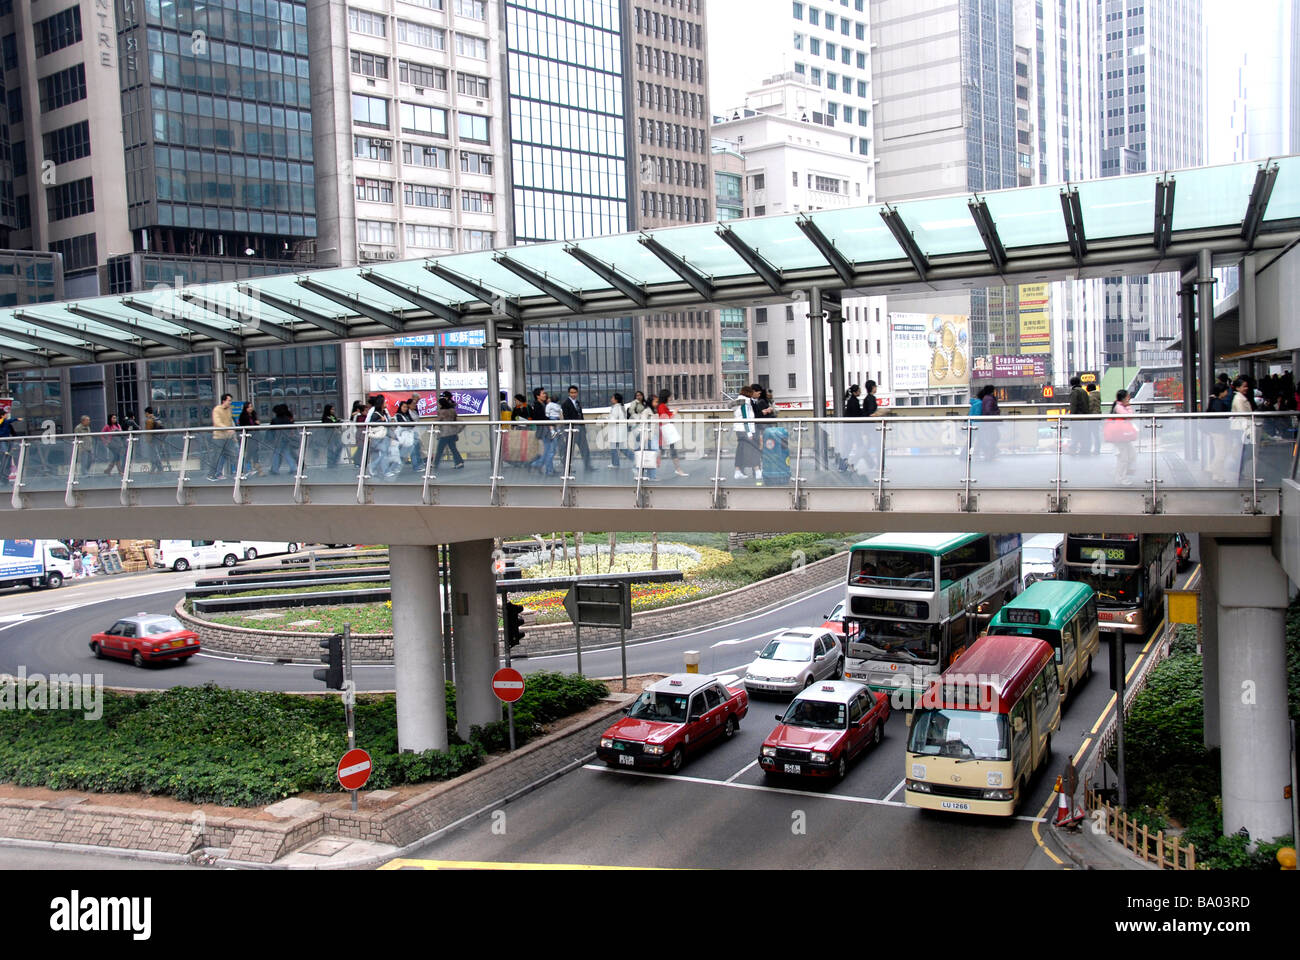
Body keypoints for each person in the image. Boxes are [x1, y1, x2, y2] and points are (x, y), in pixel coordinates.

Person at [364, 395, 399, 479]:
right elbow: (371, 423)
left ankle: (376, 468)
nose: (386, 403)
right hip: (379, 436)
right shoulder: (376, 413)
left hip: (384, 435)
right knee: (384, 453)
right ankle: (382, 469)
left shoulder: (384, 412)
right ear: (381, 403)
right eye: (384, 402)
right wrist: (381, 420)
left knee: (383, 453)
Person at [656, 389, 688, 477]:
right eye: (669, 396)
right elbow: (665, 418)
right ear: (666, 397)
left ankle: (677, 469)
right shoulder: (662, 406)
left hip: (664, 430)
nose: (670, 398)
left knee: (664, 450)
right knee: (667, 450)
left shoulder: (662, 406)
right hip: (665, 431)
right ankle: (678, 469)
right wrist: (674, 413)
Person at [732, 385, 762, 481]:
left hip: (739, 429)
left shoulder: (738, 401)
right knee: (753, 450)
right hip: (745, 430)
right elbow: (746, 417)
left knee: (741, 451)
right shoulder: (745, 402)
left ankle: (738, 471)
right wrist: (749, 433)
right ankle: (757, 471)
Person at [1109, 389, 1138, 485]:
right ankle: (1120, 478)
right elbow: (1129, 416)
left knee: (1130, 455)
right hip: (1120, 436)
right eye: (1128, 396)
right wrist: (1129, 406)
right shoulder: (1119, 407)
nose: (1129, 398)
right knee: (1123, 458)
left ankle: (1120, 475)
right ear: (1123, 398)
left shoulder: (1119, 406)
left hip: (1122, 436)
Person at [561, 384, 593, 471]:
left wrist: (583, 428)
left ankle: (588, 466)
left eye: (575, 392)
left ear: (577, 393)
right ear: (569, 393)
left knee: (585, 449)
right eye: (571, 393)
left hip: (580, 429)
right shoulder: (565, 404)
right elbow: (566, 418)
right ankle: (567, 468)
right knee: (569, 450)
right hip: (571, 430)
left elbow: (581, 416)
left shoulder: (578, 403)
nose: (573, 394)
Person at [1205, 382, 1233, 481]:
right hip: (1218, 431)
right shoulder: (1218, 402)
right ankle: (1213, 470)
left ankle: (1216, 474)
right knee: (1221, 453)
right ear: (1221, 392)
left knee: (1220, 452)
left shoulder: (1213, 401)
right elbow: (1220, 417)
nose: (1227, 393)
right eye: (1226, 391)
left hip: (1215, 431)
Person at [207, 394, 237, 481]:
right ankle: (211, 474)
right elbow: (217, 422)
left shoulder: (229, 410)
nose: (230, 402)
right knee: (216, 456)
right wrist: (227, 429)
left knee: (233, 455)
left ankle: (240, 472)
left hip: (228, 437)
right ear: (224, 401)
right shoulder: (217, 409)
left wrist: (233, 436)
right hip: (218, 437)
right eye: (229, 400)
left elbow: (230, 423)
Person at [433, 392, 465, 471]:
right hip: (453, 432)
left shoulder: (441, 412)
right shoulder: (452, 410)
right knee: (453, 448)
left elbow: (438, 420)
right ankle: (459, 462)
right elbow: (455, 419)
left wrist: (433, 424)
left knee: (440, 449)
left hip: (445, 433)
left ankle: (435, 463)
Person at [393, 399, 423, 473]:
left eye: (406, 407)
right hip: (401, 436)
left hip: (408, 436)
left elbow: (412, 424)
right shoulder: (398, 415)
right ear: (400, 407)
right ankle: (395, 467)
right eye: (403, 407)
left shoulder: (407, 415)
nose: (405, 408)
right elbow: (403, 424)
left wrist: (410, 424)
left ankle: (416, 466)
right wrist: (410, 424)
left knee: (413, 451)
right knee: (400, 453)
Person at [268, 403, 296, 475]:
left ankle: (275, 469)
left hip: (278, 440)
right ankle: (293, 467)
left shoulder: (275, 420)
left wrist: (271, 439)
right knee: (286, 453)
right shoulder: (287, 420)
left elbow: (271, 431)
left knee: (276, 454)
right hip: (286, 438)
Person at [238, 404, 265, 476]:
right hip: (248, 437)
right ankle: (247, 469)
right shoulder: (243, 416)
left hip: (254, 437)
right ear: (245, 408)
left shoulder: (253, 415)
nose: (251, 408)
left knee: (254, 453)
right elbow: (244, 426)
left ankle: (257, 470)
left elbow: (255, 425)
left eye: (251, 406)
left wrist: (257, 423)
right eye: (249, 407)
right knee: (249, 453)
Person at [605, 392, 629, 468]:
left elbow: (613, 419)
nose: (611, 399)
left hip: (616, 431)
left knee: (614, 448)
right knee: (622, 448)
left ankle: (615, 463)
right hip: (620, 431)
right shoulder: (621, 407)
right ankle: (635, 460)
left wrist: (606, 418)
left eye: (612, 398)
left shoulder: (616, 408)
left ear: (616, 400)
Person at [1068, 376, 1089, 454]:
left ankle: (1073, 449)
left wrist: (1071, 417)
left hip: (1077, 417)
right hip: (1084, 417)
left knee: (1075, 433)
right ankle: (1084, 449)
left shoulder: (1074, 392)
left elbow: (1073, 405)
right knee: (1083, 434)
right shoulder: (1084, 391)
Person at [320, 403, 343, 468]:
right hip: (330, 434)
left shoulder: (333, 416)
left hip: (336, 434)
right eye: (332, 409)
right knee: (331, 448)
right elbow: (329, 424)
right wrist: (336, 423)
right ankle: (331, 463)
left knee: (339, 446)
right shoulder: (326, 417)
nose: (333, 411)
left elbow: (335, 423)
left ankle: (335, 460)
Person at [1085, 383, 1102, 455]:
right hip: (1097, 416)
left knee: (1090, 433)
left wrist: (1086, 413)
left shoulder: (1091, 396)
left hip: (1092, 417)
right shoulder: (1098, 395)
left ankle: (1090, 449)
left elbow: (1090, 406)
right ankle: (1097, 449)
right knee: (1096, 434)